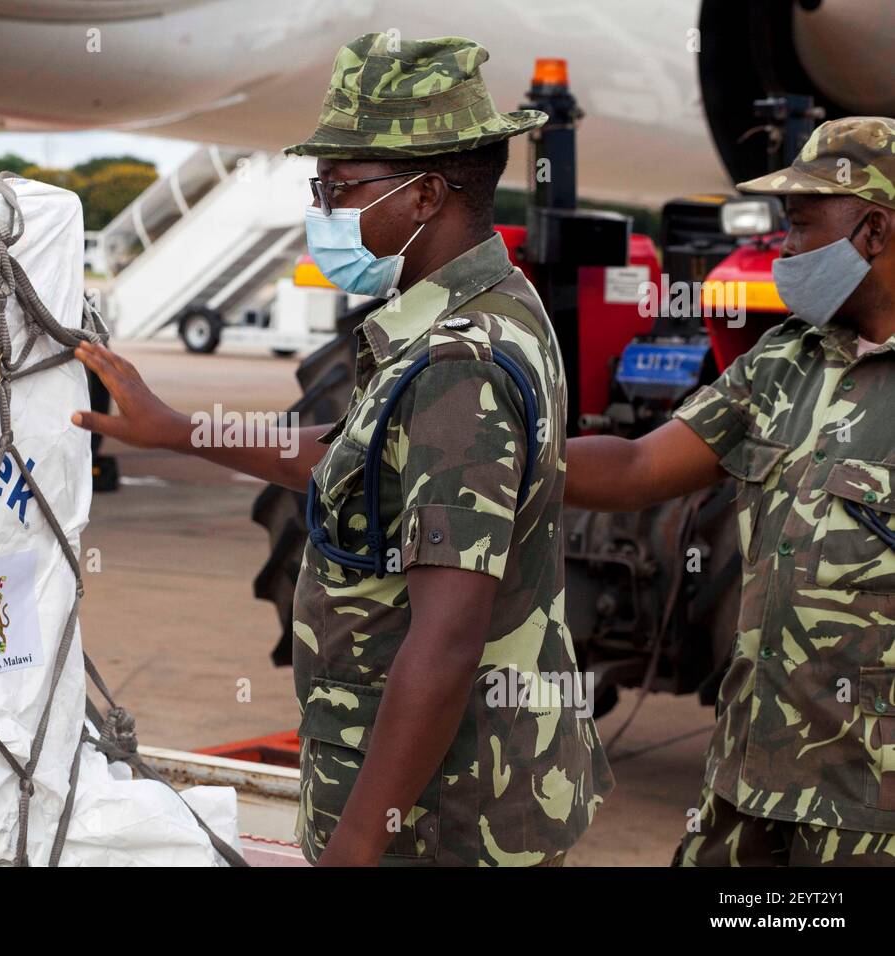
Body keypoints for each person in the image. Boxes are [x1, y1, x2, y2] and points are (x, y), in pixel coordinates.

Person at [73, 32, 612, 866]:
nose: (322, 207)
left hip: (441, 820)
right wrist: (180, 428)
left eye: (339, 186)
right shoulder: (489, 303)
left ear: (424, 193)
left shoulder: (456, 364)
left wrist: (356, 846)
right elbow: (355, 456)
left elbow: (447, 639)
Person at [566, 116, 895, 865]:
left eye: (801, 225)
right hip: (747, 792)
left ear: (873, 231)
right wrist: (492, 460)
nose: (785, 251)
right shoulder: (785, 361)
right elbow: (638, 468)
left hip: (869, 814)